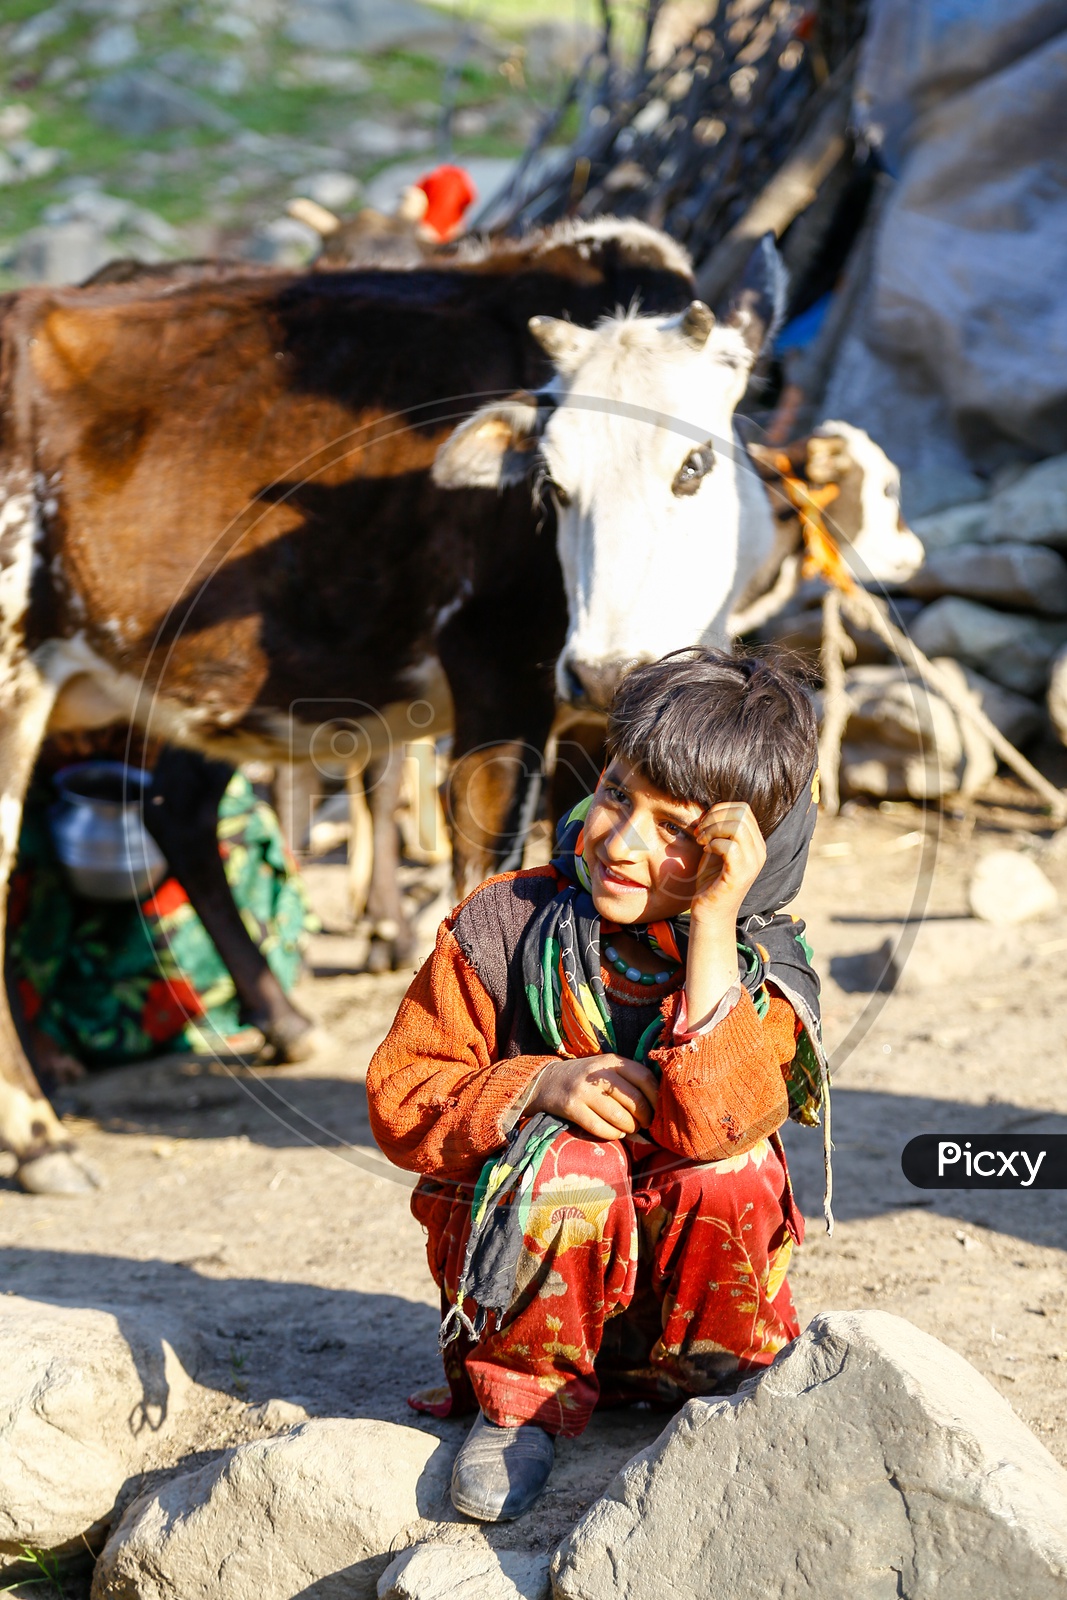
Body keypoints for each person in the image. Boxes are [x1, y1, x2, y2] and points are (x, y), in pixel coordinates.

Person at [366, 648, 827, 1522]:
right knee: (569, 1159)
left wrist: (715, 926)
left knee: (726, 1168)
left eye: (679, 834)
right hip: (523, 1303)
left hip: (691, 1316)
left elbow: (718, 1123)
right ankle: (521, 1405)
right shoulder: (504, 926)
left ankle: (718, 1390)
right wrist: (537, 1084)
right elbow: (401, 1096)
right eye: (617, 794)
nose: (621, 842)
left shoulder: (766, 971)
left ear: (745, 857)